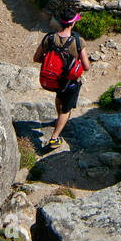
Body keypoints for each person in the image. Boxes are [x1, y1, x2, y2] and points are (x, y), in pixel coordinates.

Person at [33, 11, 91, 151]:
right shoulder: (78, 41)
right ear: (72, 23)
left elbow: (36, 58)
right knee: (66, 110)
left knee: (59, 97)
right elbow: (86, 66)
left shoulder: (50, 38)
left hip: (53, 79)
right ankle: (54, 138)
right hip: (69, 82)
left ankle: (59, 118)